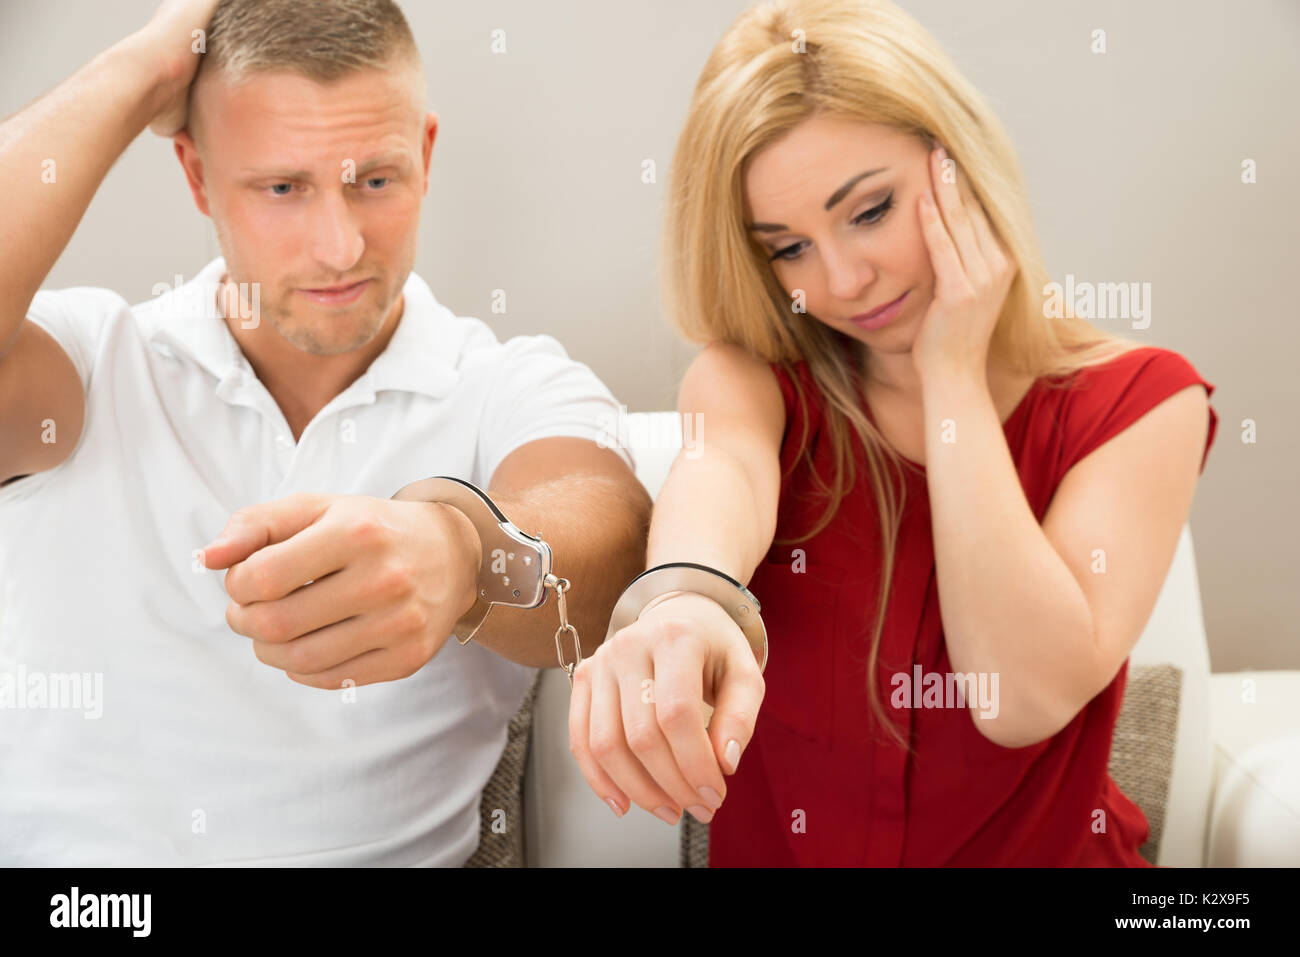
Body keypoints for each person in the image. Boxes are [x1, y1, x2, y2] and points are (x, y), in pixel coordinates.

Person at [567, 0, 1218, 866]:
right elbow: (718, 472)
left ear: (961, 167)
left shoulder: (1140, 401)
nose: (841, 279)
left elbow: (1018, 697)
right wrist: (683, 599)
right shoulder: (753, 385)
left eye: (869, 210)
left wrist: (952, 374)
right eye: (788, 248)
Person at [0, 0, 650, 865]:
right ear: (196, 178)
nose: (340, 247)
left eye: (373, 180)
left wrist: (465, 555)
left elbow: (612, 539)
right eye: (282, 188)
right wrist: (144, 70)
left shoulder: (504, 384)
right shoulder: (89, 365)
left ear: (424, 156)